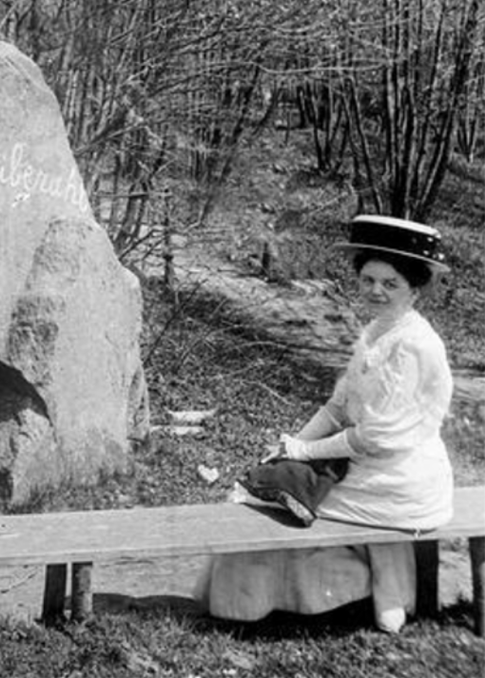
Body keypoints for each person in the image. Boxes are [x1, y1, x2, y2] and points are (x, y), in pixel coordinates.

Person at [194, 214, 454, 634]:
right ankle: (311, 597)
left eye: (391, 284)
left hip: (401, 479)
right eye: (369, 279)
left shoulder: (413, 345)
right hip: (375, 468)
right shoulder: (377, 331)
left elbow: (374, 436)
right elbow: (337, 407)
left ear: (415, 290)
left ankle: (261, 605)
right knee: (274, 477)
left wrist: (305, 454)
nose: (376, 291)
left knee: (264, 499)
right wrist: (294, 444)